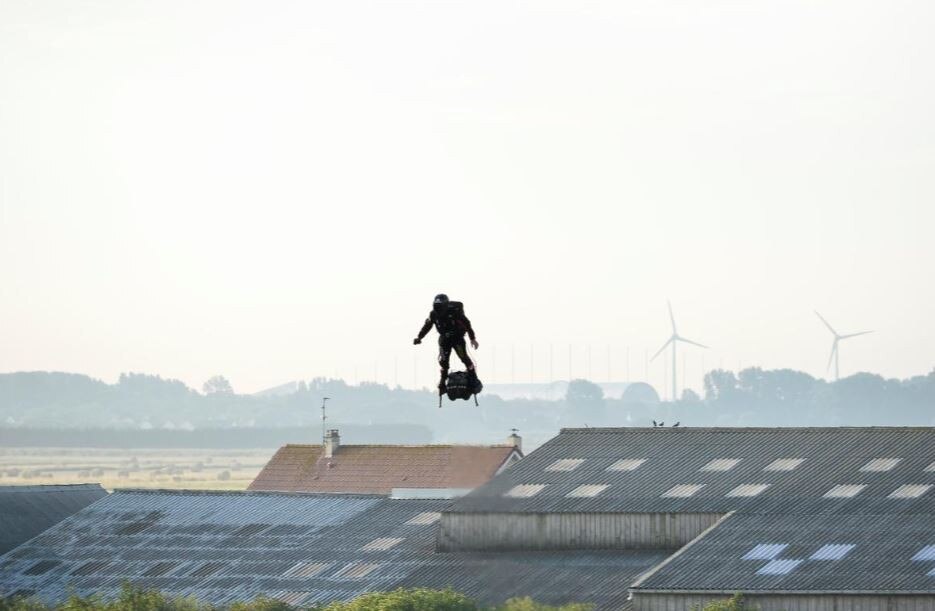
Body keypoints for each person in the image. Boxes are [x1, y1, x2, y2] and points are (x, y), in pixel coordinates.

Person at [413, 294, 479, 393]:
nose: (438, 308)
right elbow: (427, 326)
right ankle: (442, 383)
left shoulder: (455, 311)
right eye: (436, 306)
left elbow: (466, 323)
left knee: (463, 357)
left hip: (457, 338)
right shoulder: (433, 314)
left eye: (440, 306)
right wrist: (419, 337)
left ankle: (473, 378)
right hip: (444, 340)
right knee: (444, 362)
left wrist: (472, 338)